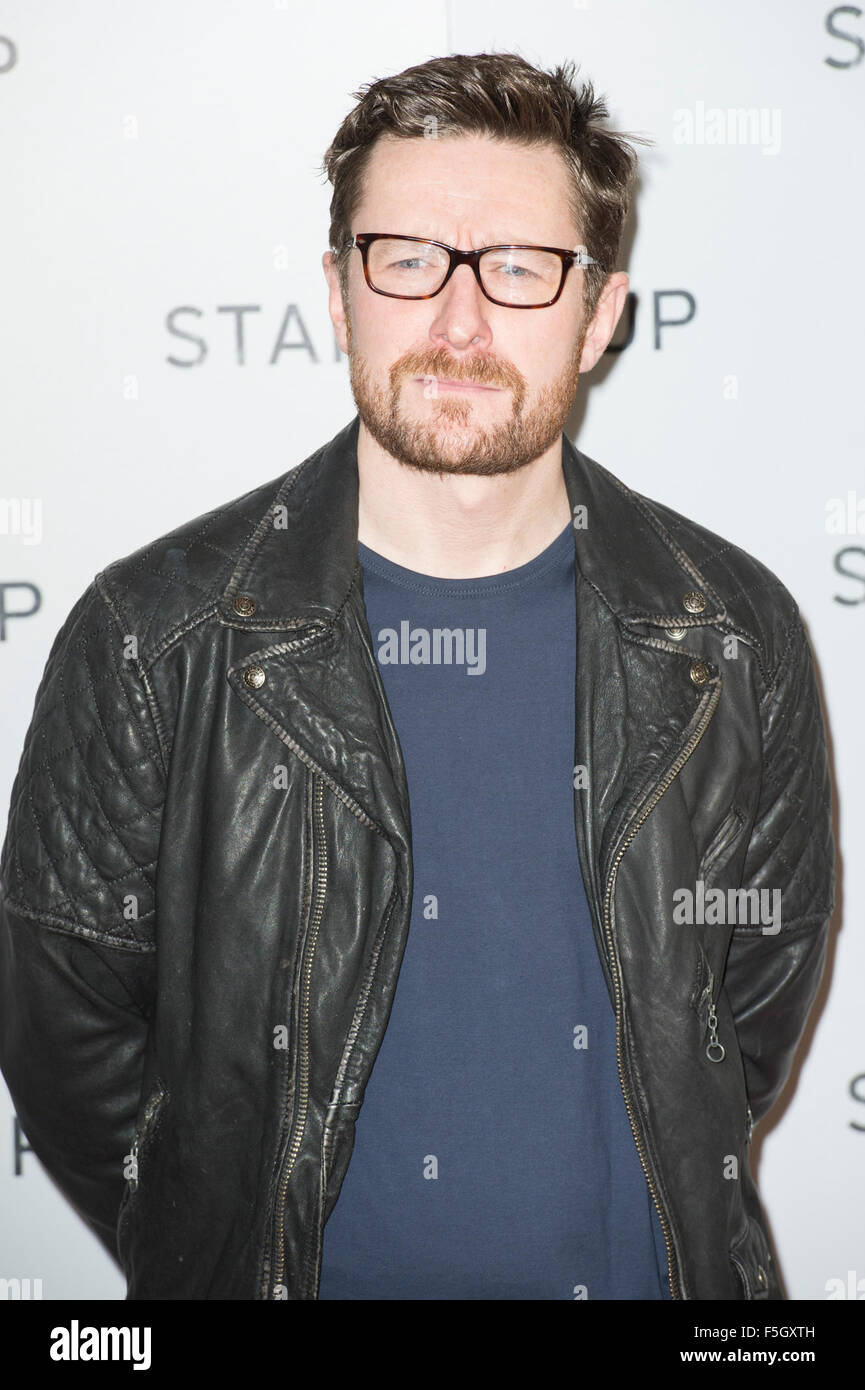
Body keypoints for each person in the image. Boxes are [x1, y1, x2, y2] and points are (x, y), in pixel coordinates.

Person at [0, 51, 833, 1301]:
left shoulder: (731, 636)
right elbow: (69, 1037)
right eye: (406, 259)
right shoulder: (155, 638)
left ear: (600, 314)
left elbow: (739, 1018)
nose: (458, 322)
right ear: (339, 293)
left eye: (516, 267)